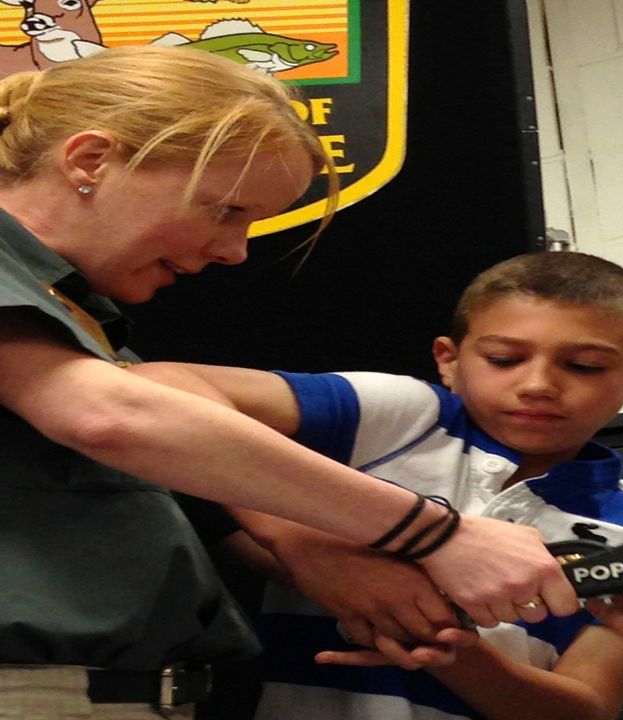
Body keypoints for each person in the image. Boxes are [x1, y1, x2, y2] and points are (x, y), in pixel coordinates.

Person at [0, 45, 579, 719]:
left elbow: (147, 464)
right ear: (91, 159)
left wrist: (307, 548)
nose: (234, 251)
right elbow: (107, 417)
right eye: (225, 210)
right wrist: (434, 534)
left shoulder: (71, 313)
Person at [131, 251, 623, 720]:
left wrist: (458, 655)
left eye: (583, 366)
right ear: (449, 360)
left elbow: (585, 707)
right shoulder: (398, 415)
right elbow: (155, 386)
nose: (537, 384)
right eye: (504, 359)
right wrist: (305, 543)